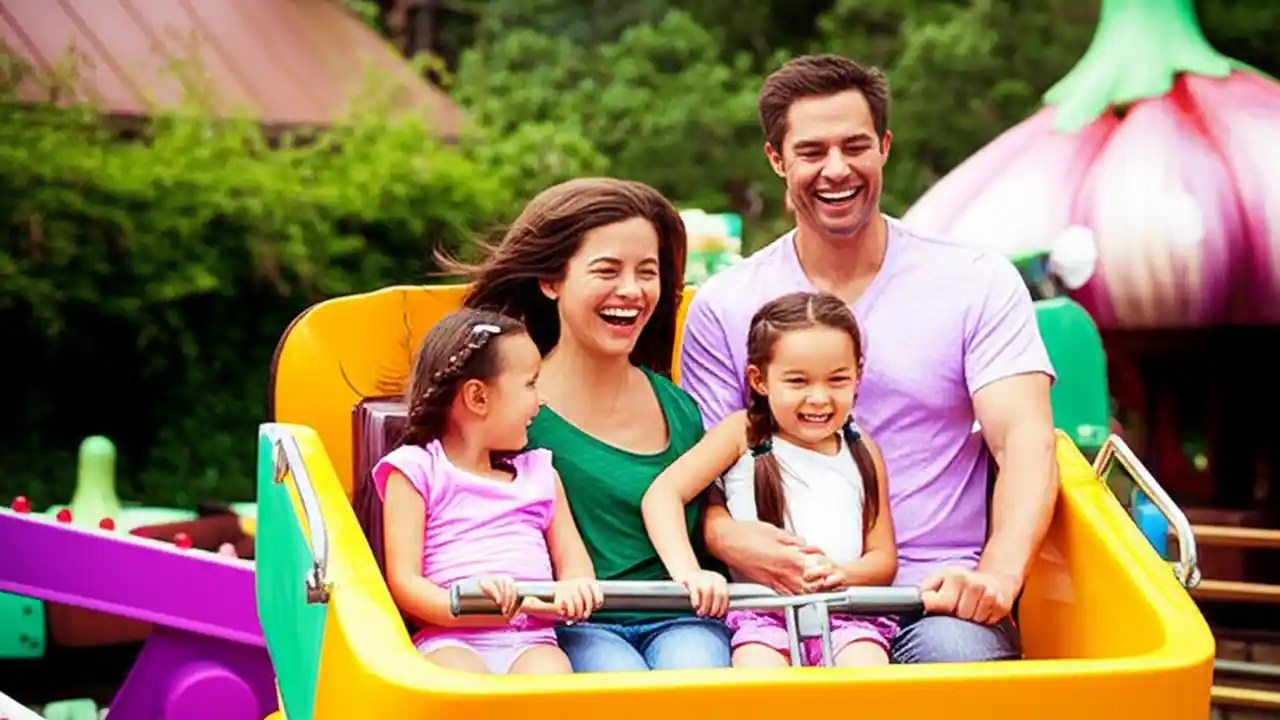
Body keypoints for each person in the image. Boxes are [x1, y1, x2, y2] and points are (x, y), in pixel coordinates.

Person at [678, 54, 1060, 664]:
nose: (837, 169)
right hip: (773, 601)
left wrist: (999, 575)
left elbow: (1025, 440)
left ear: (884, 147)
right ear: (777, 160)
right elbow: (704, 476)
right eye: (811, 151)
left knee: (956, 663)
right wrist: (731, 540)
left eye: (855, 146)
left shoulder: (972, 279)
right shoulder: (726, 304)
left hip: (930, 597)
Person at [454, 177, 733, 672]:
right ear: (551, 281)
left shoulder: (682, 410)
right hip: (571, 627)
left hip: (682, 622)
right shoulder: (512, 420)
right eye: (607, 270)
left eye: (647, 272)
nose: (631, 290)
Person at [642, 291, 897, 668]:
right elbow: (663, 494)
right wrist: (688, 572)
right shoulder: (742, 434)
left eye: (837, 380)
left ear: (858, 374)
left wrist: (841, 574)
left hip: (847, 617)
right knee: (760, 683)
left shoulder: (863, 449)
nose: (819, 398)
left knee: (866, 676)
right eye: (798, 381)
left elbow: (883, 557)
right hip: (761, 619)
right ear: (759, 380)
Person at [372, 308, 604, 675]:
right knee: (464, 685)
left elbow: (575, 564)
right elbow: (405, 582)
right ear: (478, 397)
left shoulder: (540, 475)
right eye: (530, 384)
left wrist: (576, 589)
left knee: (551, 679)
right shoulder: (417, 470)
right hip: (450, 639)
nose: (540, 400)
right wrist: (468, 603)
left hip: (531, 640)